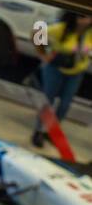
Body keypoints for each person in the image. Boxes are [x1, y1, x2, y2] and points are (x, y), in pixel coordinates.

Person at [32, 9, 92, 147]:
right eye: (83, 16)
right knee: (48, 100)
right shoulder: (60, 29)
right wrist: (43, 55)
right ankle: (38, 131)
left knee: (65, 104)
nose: (87, 20)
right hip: (55, 70)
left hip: (76, 72)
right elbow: (36, 32)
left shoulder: (89, 33)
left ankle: (52, 131)